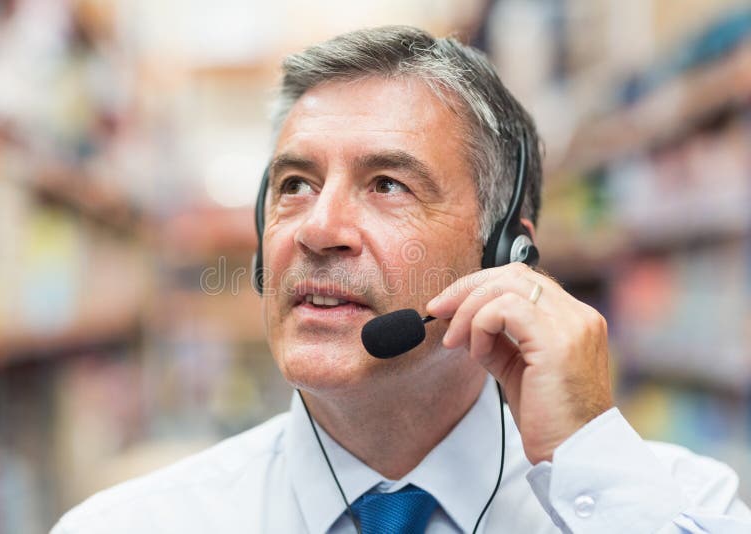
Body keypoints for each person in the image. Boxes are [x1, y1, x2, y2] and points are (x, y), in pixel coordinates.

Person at [52, 26, 751, 533]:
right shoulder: (129, 524)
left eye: (387, 184)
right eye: (295, 184)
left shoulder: (672, 505)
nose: (317, 229)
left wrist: (587, 454)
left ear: (507, 255)